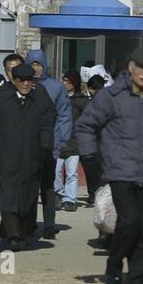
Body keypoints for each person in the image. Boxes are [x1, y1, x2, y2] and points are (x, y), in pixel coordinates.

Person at [76, 46, 143, 284]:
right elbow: (86, 126)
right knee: (129, 222)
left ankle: (137, 281)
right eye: (140, 67)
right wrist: (90, 158)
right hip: (121, 170)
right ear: (130, 67)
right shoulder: (110, 97)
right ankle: (114, 263)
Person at [0, 63, 54, 251]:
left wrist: (45, 147)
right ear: (13, 80)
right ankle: (13, 235)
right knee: (7, 197)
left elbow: (47, 126)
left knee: (27, 198)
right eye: (21, 80)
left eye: (29, 80)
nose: (25, 83)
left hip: (31, 157)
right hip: (5, 157)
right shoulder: (1, 100)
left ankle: (19, 232)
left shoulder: (40, 98)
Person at [26, 49, 72, 239]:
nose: (36, 69)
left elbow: (64, 115)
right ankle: (28, 224)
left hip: (49, 145)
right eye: (32, 65)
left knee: (48, 187)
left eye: (39, 65)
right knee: (28, 188)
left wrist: (61, 140)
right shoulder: (23, 85)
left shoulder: (56, 87)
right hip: (27, 146)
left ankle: (49, 224)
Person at [57, 72, 90, 212]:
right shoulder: (58, 98)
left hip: (74, 140)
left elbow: (87, 120)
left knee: (72, 173)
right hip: (58, 139)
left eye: (67, 81)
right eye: (63, 80)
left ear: (74, 83)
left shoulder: (82, 101)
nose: (64, 83)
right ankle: (58, 194)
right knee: (56, 171)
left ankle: (70, 199)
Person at [81, 73, 108, 206]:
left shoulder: (91, 104)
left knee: (92, 172)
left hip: (93, 142)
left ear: (91, 88)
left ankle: (93, 195)